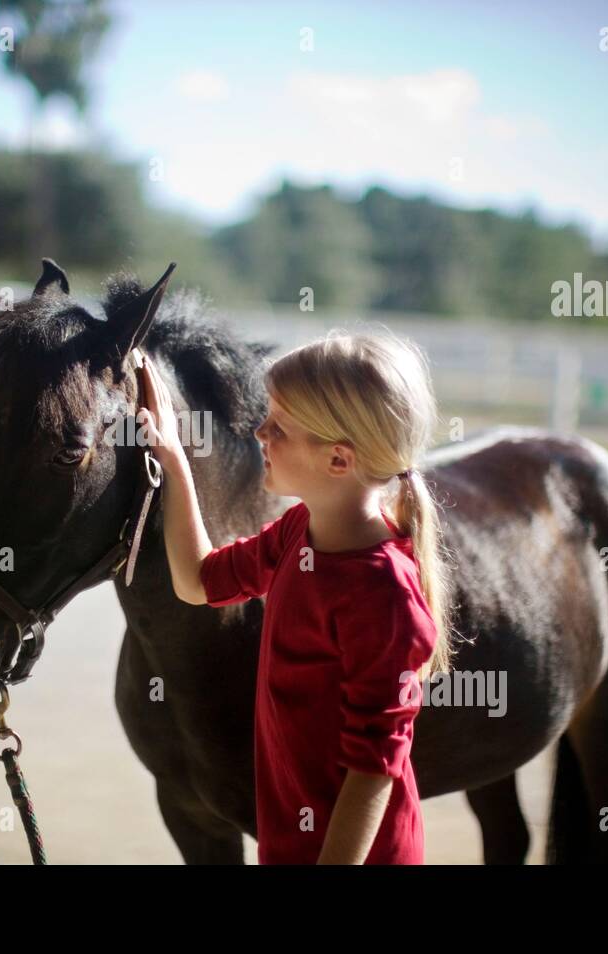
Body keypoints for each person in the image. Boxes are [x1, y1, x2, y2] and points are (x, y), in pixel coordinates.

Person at [136, 330, 453, 864]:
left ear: (337, 460)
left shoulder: (385, 596)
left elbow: (373, 771)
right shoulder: (297, 533)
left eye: (278, 426)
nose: (259, 432)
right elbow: (197, 581)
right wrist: (174, 459)